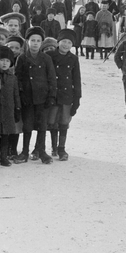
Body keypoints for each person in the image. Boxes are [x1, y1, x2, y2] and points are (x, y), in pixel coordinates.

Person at [16, 28, 56, 163]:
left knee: (42, 126)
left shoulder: (46, 58)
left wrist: (51, 96)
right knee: (27, 125)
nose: (35, 43)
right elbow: (18, 78)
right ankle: (24, 152)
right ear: (27, 41)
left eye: (38, 41)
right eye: (32, 40)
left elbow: (52, 78)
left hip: (42, 98)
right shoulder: (22, 58)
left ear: (41, 43)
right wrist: (21, 94)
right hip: (27, 99)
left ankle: (41, 151)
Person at [49, 28, 82, 161]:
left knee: (64, 122)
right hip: (53, 94)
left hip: (67, 96)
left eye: (69, 42)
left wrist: (77, 99)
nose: (66, 45)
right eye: (64, 41)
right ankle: (53, 147)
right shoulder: (50, 56)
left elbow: (77, 79)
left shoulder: (73, 59)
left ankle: (61, 148)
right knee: (52, 122)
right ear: (58, 42)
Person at [0, 46, 21, 167]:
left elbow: (16, 94)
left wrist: (17, 108)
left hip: (9, 109)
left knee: (5, 134)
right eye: (1, 60)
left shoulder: (13, 78)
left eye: (7, 61)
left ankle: (3, 157)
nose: (4, 63)